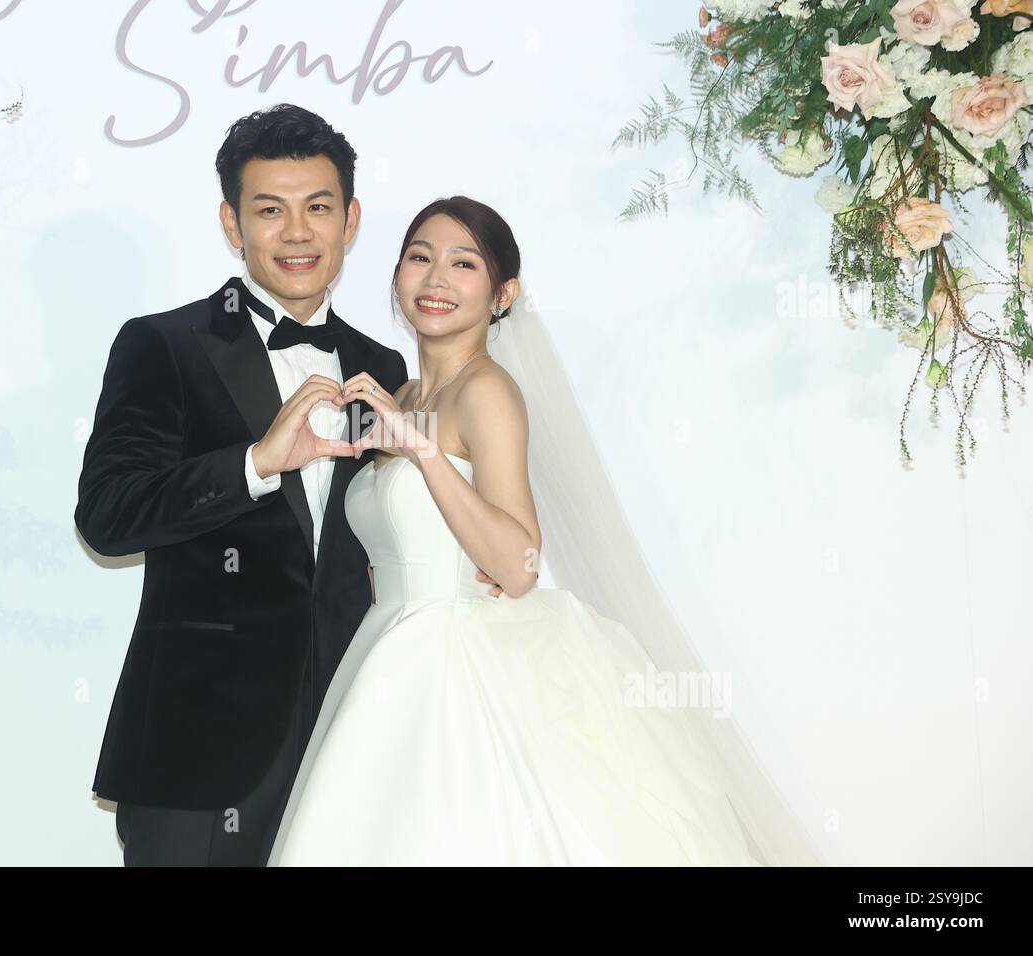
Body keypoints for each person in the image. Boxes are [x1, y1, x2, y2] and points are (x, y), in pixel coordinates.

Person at [267, 196, 825, 866]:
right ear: (395, 274)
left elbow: (519, 563)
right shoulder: (407, 396)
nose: (436, 278)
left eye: (463, 263)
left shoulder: (487, 392)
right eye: (420, 257)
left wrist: (422, 452)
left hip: (458, 659)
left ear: (503, 294)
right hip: (388, 650)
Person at [74, 104, 479, 865]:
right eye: (270, 210)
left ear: (350, 220)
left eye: (318, 208)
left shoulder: (386, 371)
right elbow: (107, 515)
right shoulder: (163, 345)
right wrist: (255, 464)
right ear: (232, 223)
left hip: (352, 735)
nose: (298, 233)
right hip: (197, 748)